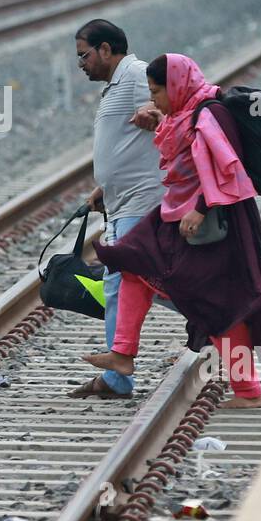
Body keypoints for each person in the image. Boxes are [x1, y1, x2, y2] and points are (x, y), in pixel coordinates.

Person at [84, 54, 261, 409]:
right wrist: (158, 122)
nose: (154, 98)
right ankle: (122, 353)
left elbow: (228, 168)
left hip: (216, 224)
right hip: (179, 216)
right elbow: (183, 154)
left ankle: (249, 392)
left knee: (218, 306)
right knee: (133, 262)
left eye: (157, 92)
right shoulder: (184, 113)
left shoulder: (210, 114)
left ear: (177, 86)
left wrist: (200, 208)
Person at [68, 20, 166, 401]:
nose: (81, 64)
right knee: (130, 281)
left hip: (142, 201)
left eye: (84, 55)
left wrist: (157, 110)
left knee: (125, 281)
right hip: (123, 200)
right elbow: (126, 144)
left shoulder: (139, 75)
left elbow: (187, 102)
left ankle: (118, 374)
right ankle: (118, 373)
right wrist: (105, 187)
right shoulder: (117, 86)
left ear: (106, 49)